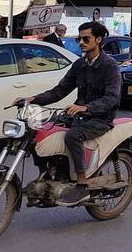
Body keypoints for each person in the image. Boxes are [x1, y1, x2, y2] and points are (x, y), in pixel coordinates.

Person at [16, 21, 121, 206]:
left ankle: (81, 185)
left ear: (98, 39)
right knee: (37, 130)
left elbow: (112, 98)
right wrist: (32, 99)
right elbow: (59, 91)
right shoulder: (79, 64)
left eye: (85, 38)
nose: (81, 42)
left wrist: (86, 108)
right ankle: (48, 176)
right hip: (78, 115)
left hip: (100, 118)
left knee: (72, 136)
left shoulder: (109, 66)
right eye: (79, 38)